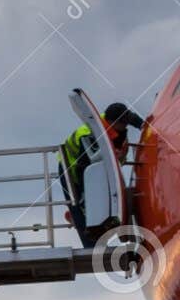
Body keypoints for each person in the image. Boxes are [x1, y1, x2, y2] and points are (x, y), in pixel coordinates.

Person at [60, 102, 144, 247]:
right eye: (122, 124)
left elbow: (136, 121)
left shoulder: (120, 117)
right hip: (71, 167)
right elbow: (85, 169)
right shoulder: (89, 134)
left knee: (105, 196)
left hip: (99, 165)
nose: (125, 126)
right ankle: (90, 244)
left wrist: (145, 126)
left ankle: (100, 224)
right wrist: (84, 199)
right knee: (79, 204)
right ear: (112, 122)